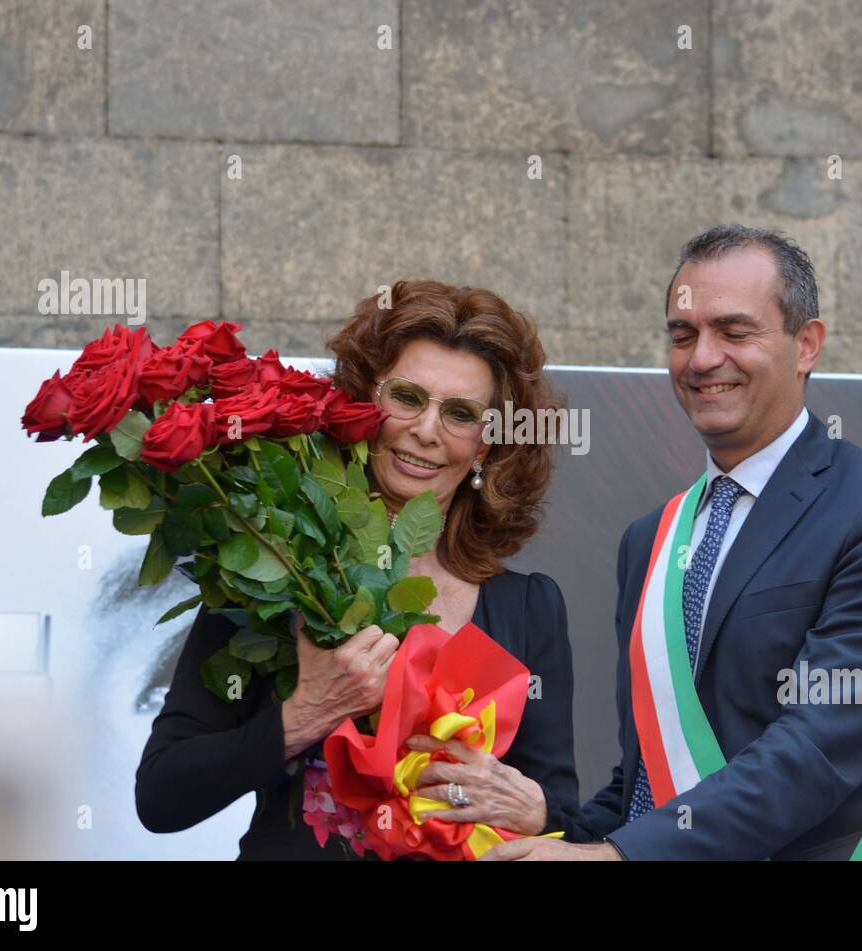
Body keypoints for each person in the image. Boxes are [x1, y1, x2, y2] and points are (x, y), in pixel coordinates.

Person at [484, 225, 862, 860]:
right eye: (683, 335)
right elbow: (645, 787)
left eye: (733, 331)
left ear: (806, 344)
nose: (702, 359)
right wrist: (550, 826)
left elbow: (817, 747)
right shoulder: (650, 538)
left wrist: (618, 859)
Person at [135, 279, 581, 859]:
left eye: (461, 413)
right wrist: (308, 713)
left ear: (488, 448)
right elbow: (163, 796)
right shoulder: (276, 572)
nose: (425, 430)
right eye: (408, 397)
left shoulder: (529, 608)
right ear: (364, 401)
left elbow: (567, 821)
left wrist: (535, 810)